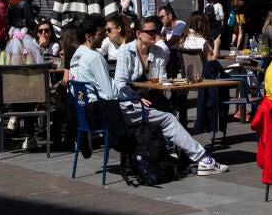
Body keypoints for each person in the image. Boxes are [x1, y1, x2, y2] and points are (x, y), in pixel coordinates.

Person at [69, 15, 228, 175]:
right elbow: (113, 92)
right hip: (113, 110)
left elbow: (157, 79)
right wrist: (136, 97)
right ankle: (202, 159)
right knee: (168, 119)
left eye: (156, 31)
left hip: (87, 111)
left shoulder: (76, 55)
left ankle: (173, 156)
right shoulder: (103, 56)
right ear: (138, 33)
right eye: (150, 32)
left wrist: (148, 91)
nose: (155, 35)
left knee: (164, 108)